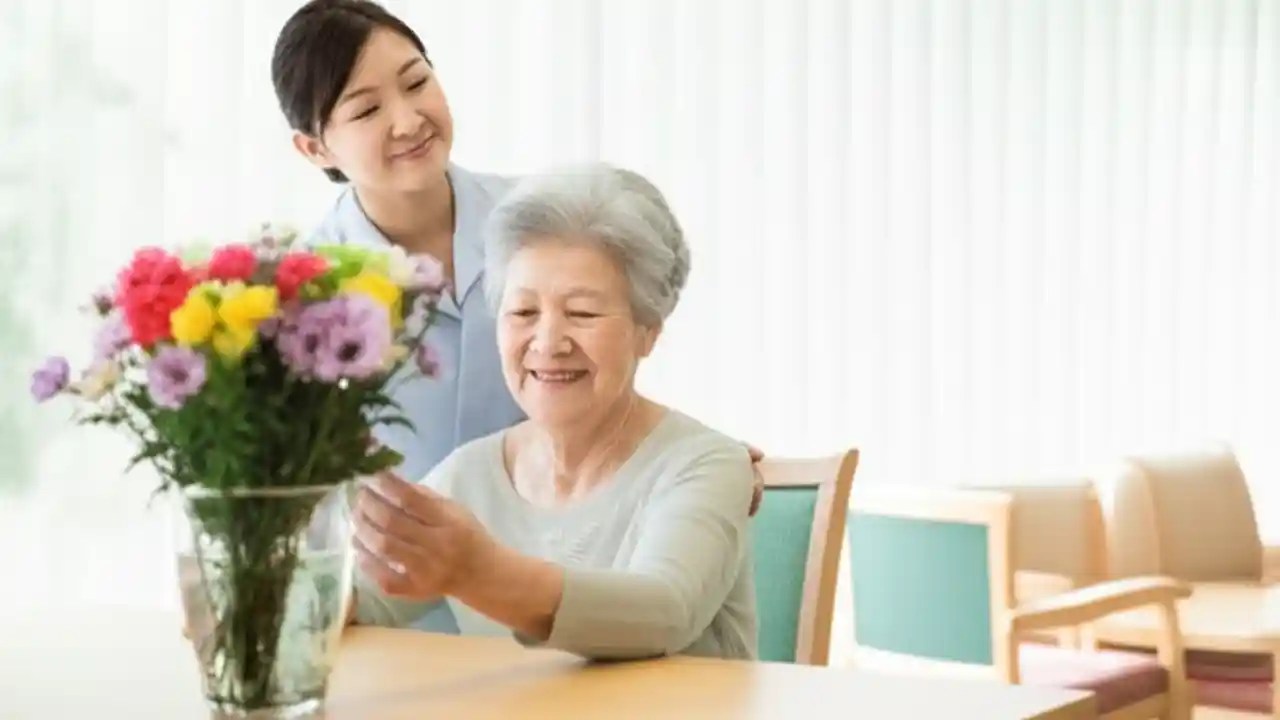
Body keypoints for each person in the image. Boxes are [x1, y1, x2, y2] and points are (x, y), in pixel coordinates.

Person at [270, 0, 765, 507]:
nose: (408, 119)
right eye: (367, 110)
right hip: (396, 567)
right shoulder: (302, 296)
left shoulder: (545, 224)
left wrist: (688, 456)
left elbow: (609, 368)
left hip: (557, 544)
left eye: (417, 83)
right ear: (315, 149)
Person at [352, 165, 758, 660]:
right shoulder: (471, 473)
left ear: (647, 331)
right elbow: (361, 597)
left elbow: (663, 613)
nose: (547, 342)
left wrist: (478, 571)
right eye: (523, 312)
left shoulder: (707, 464)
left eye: (583, 313)